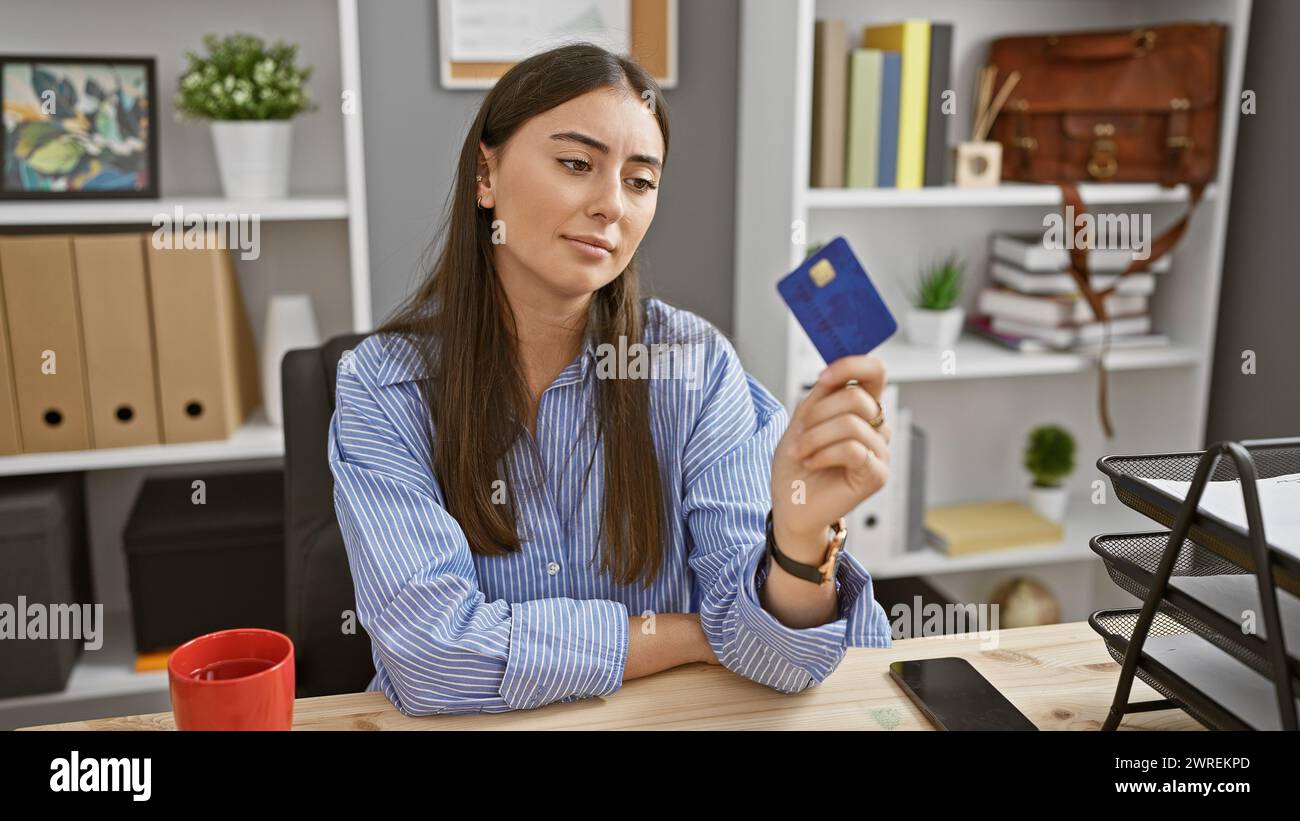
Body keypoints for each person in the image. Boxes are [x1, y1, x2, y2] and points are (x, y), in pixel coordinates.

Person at [328, 43, 893, 716]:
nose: (610, 206)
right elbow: (430, 660)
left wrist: (799, 542)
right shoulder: (382, 385)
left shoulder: (695, 367)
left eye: (640, 181)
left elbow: (775, 659)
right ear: (487, 175)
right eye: (576, 164)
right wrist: (686, 634)